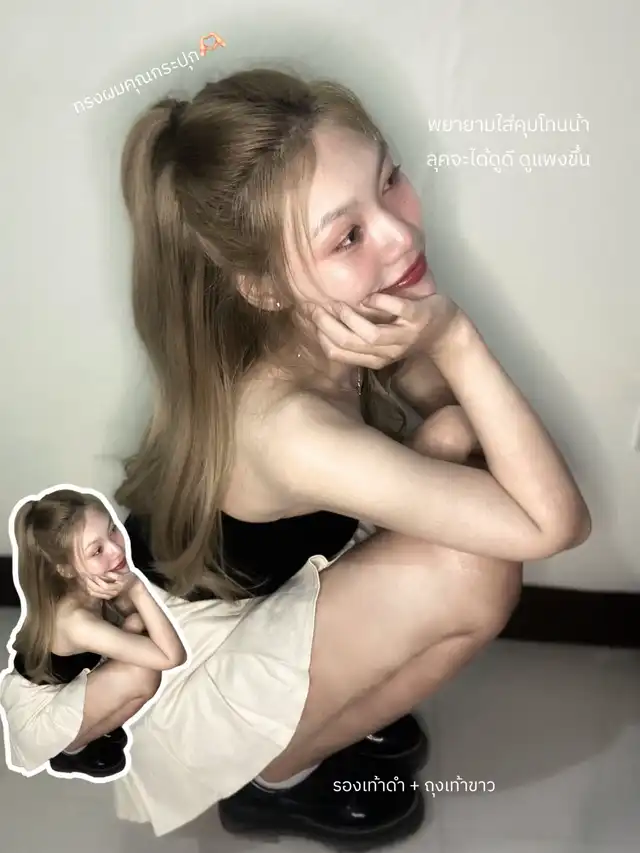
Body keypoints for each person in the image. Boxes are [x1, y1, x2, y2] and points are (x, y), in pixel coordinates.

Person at [0, 488, 187, 780]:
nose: (116, 550)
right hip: (39, 715)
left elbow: (141, 624)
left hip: (68, 682)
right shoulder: (75, 620)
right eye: (96, 551)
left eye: (112, 530)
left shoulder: (90, 583)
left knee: (136, 624)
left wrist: (130, 597)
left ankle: (90, 725)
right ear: (66, 569)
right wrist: (136, 587)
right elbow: (172, 656)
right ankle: (71, 749)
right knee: (144, 673)